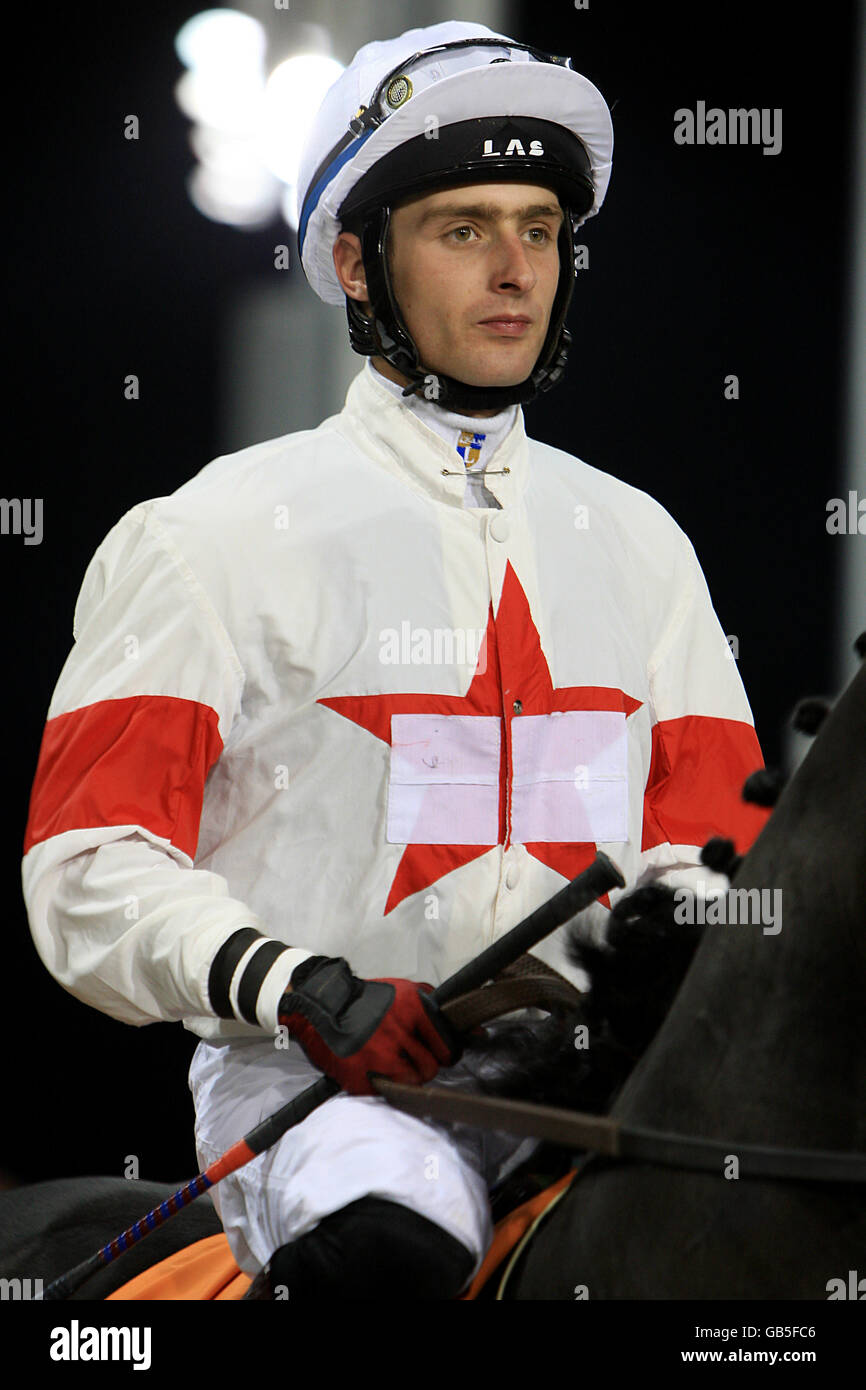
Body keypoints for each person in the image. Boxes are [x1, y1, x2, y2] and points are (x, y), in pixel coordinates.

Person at [21, 20, 769, 1300]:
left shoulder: (642, 543)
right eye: (463, 227)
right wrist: (297, 983)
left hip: (588, 1081)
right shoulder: (202, 534)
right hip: (327, 1089)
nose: (513, 268)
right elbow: (85, 868)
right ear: (359, 264)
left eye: (538, 228)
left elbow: (712, 860)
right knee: (393, 1243)